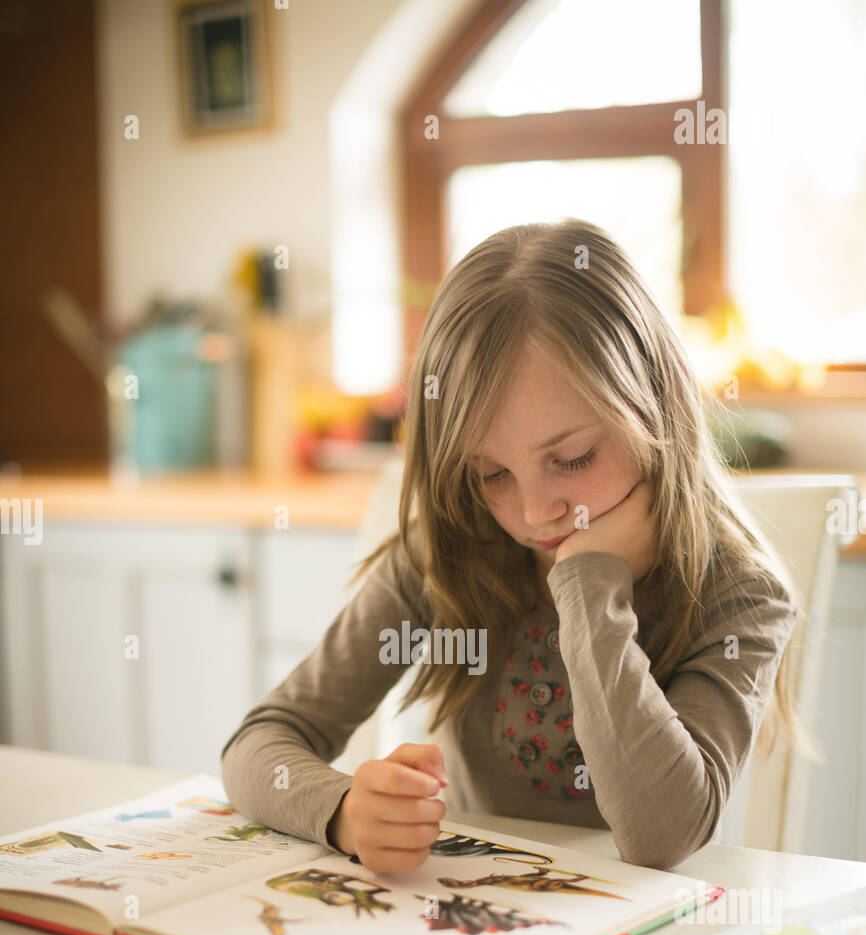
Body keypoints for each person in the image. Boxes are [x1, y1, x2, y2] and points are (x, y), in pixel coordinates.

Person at [221, 219, 810, 873]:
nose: (535, 512)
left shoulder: (739, 593)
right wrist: (341, 810)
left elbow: (660, 836)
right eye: (491, 474)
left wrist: (588, 579)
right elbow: (257, 747)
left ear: (656, 410)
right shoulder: (448, 555)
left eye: (573, 457)